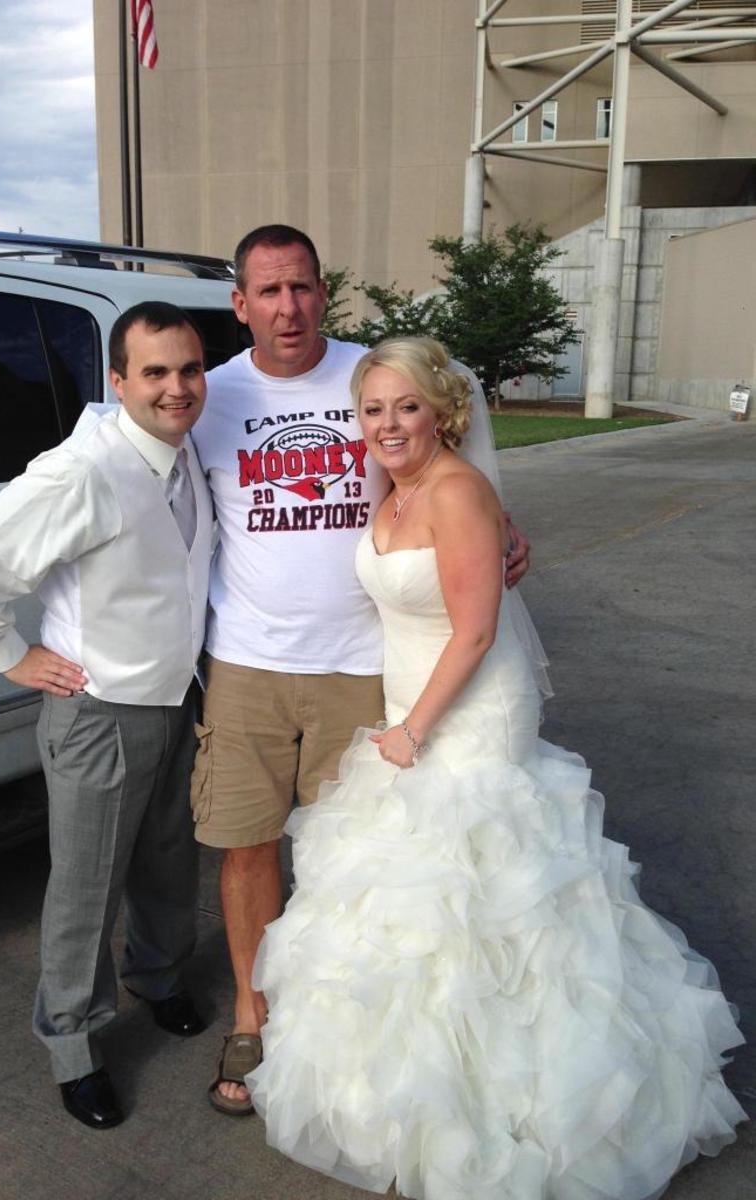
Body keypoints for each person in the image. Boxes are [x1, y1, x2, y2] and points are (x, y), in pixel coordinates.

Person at [246, 336, 746, 1198]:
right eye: (373, 409)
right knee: (414, 893)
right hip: (412, 700)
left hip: (469, 712)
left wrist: (414, 732)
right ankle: (410, 1090)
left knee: (485, 884)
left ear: (444, 411)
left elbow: (476, 630)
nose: (389, 423)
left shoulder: (458, 489)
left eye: (407, 406)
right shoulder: (390, 487)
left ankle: (518, 1108)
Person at [190, 225, 531, 1114]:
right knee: (247, 846)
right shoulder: (211, 396)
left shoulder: (369, 376)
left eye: (302, 287)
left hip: (364, 666)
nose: (288, 307)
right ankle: (253, 1011)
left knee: (353, 863)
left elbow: (442, 473)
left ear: (323, 291)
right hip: (248, 662)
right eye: (267, 292)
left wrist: (497, 527)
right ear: (240, 304)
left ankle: (329, 1018)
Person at [0, 302, 212, 1129]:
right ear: (118, 380)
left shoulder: (180, 445)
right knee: (87, 888)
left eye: (189, 369)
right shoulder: (84, 469)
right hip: (99, 713)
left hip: (174, 699)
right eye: (156, 373)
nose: (177, 388)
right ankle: (72, 1040)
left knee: (169, 864)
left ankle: (159, 979)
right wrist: (9, 655)